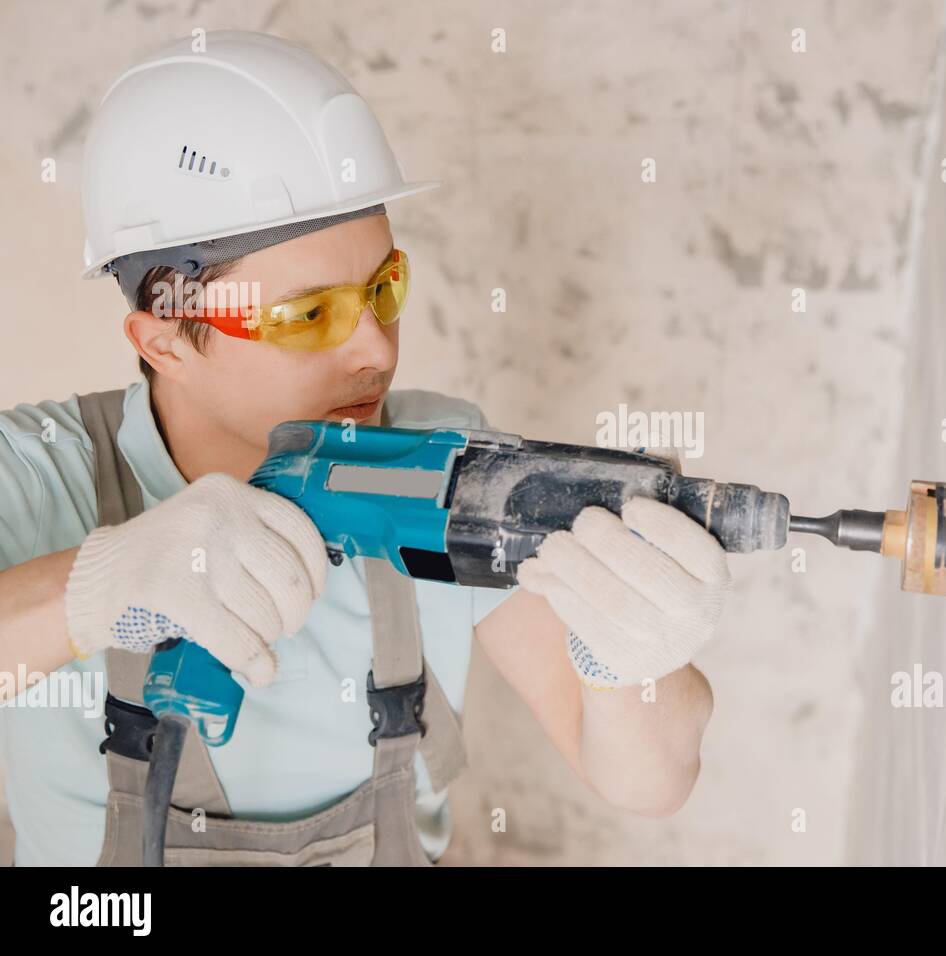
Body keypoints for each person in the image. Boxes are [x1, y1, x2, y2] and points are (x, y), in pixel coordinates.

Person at [0, 30, 729, 866]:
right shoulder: (36, 471)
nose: (376, 351)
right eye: (309, 317)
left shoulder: (442, 469)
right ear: (163, 340)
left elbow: (650, 785)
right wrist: (96, 588)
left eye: (383, 290)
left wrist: (630, 665)